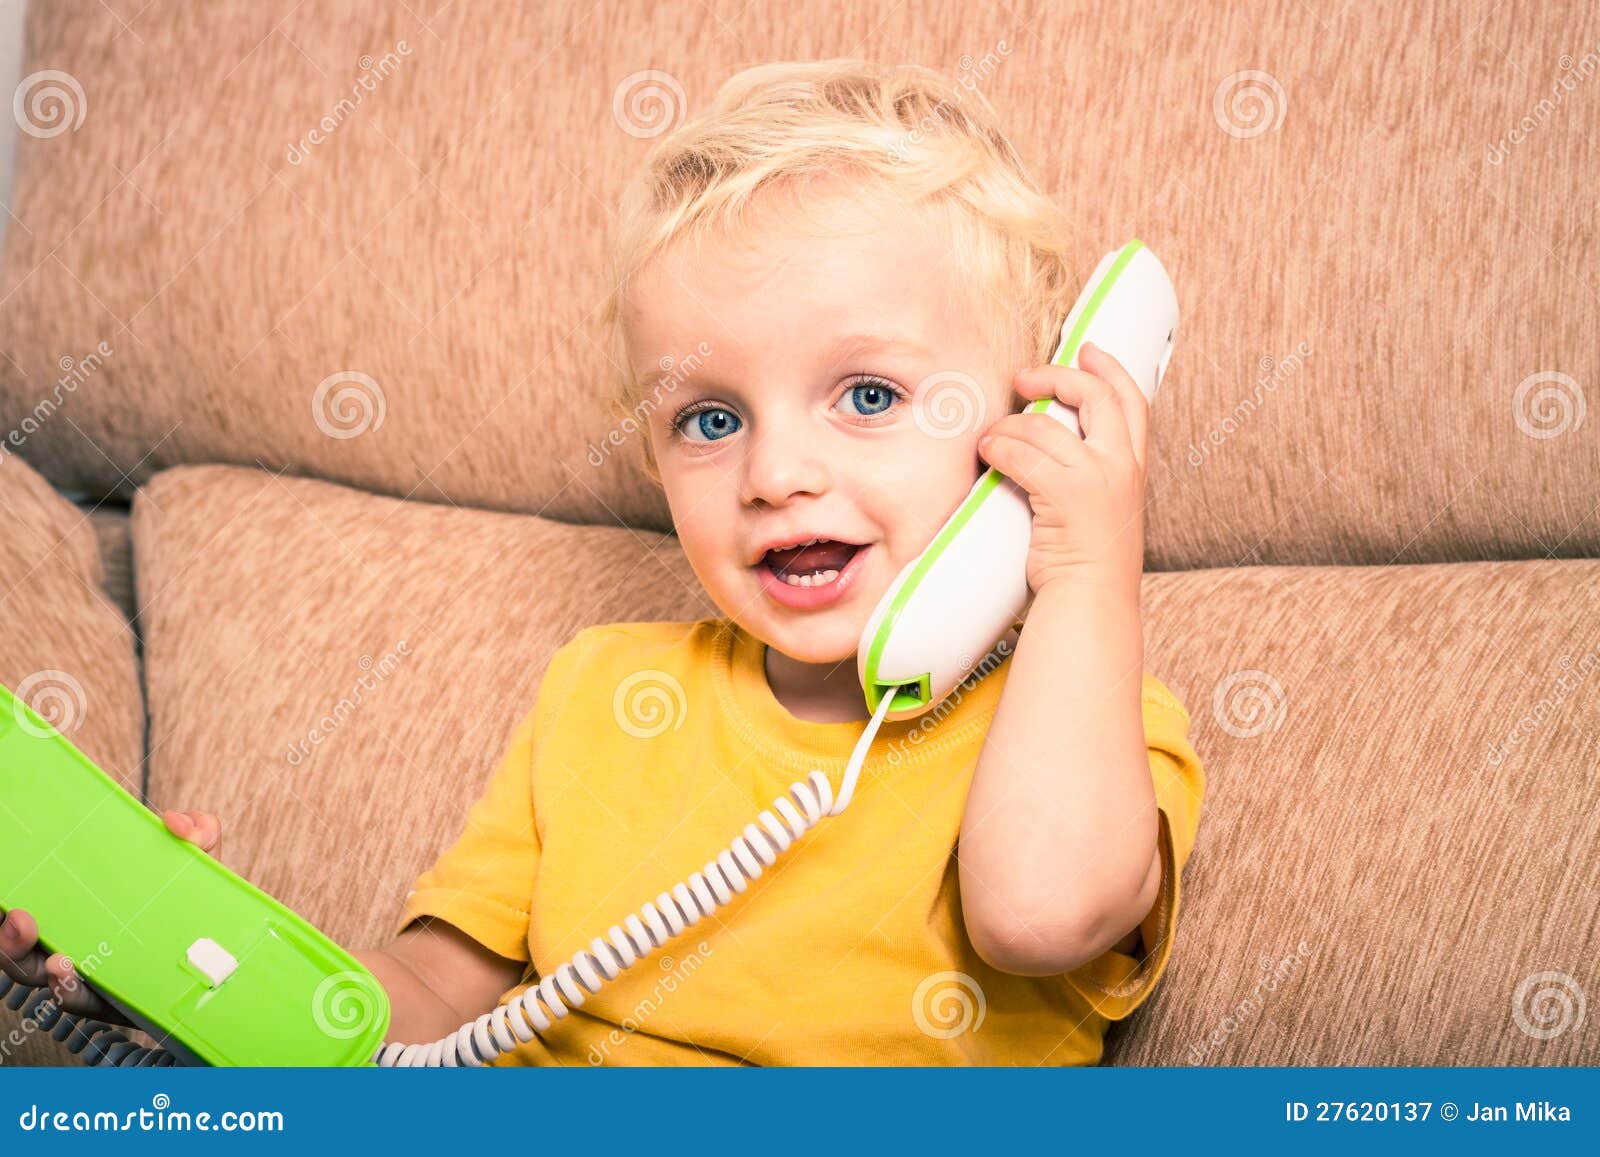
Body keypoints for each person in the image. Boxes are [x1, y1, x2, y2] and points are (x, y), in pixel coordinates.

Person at [1, 57, 1204, 1066]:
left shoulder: (1090, 718)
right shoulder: (603, 691)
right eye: (710, 418)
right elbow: (435, 997)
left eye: (869, 394)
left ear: (1030, 424)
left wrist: (1085, 572)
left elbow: (1038, 912)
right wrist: (204, 970)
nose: (774, 472)